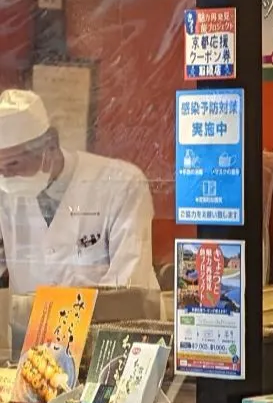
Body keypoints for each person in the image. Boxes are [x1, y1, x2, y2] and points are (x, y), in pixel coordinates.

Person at [0, 89, 157, 294]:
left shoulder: (122, 184)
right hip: (30, 315)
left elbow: (128, 287)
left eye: (14, 164)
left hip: (109, 315)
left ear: (51, 144)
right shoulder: (4, 193)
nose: (6, 176)